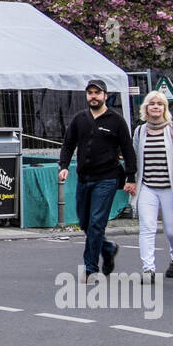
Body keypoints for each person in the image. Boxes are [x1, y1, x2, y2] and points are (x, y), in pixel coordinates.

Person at [58, 79, 137, 281]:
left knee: (96, 224)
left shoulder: (116, 120)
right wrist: (64, 166)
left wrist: (130, 177)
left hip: (107, 178)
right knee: (84, 222)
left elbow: (128, 150)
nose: (93, 96)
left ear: (105, 95)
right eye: (90, 93)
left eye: (97, 93)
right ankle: (108, 248)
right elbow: (68, 144)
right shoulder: (79, 119)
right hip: (84, 178)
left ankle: (90, 268)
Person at [130, 91, 173, 282]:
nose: (156, 107)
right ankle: (148, 269)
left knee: (172, 230)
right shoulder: (140, 131)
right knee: (147, 227)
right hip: (147, 187)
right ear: (145, 108)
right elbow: (136, 159)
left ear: (165, 108)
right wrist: (132, 182)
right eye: (152, 104)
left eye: (160, 104)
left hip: (170, 188)